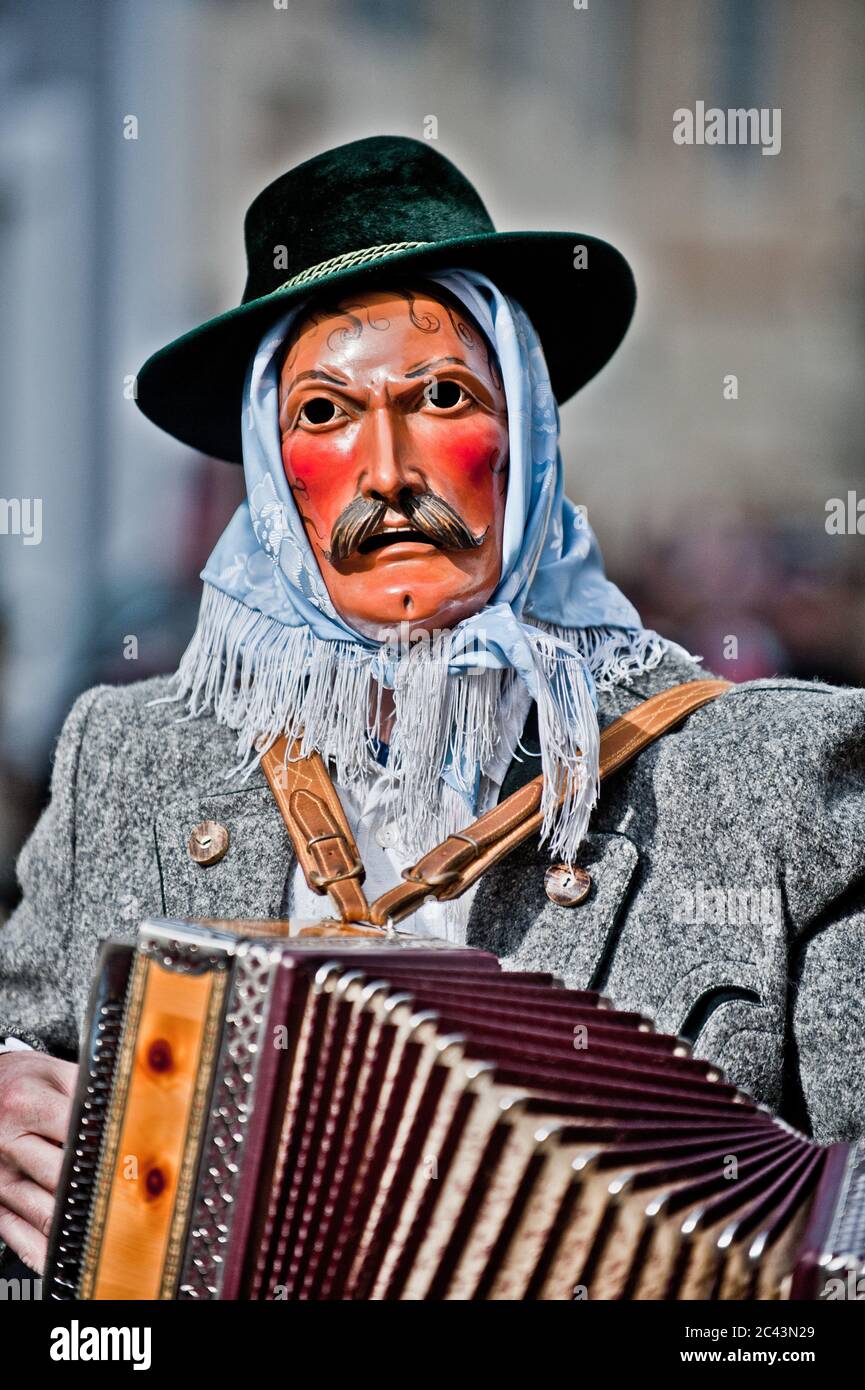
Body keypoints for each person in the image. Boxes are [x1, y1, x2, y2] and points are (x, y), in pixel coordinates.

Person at [1, 135, 863, 1277]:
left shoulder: (773, 780)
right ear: (269, 471)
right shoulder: (131, 760)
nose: (389, 468)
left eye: (442, 395)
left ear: (528, 437)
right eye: (324, 414)